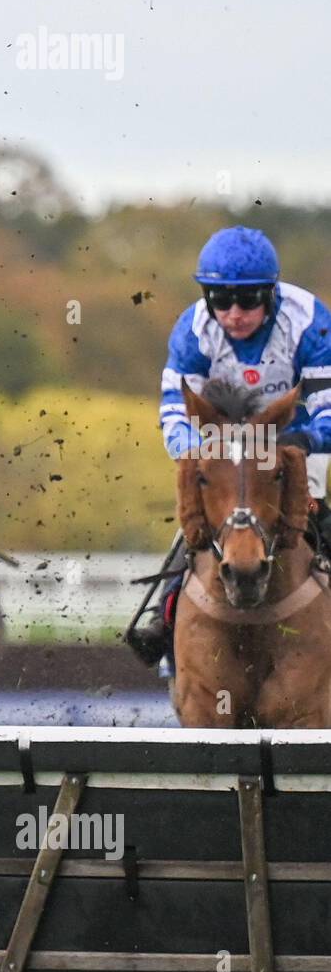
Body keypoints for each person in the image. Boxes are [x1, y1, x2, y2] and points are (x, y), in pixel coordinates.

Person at [128, 225, 331, 667]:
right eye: (220, 300)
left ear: (271, 295)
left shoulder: (310, 323)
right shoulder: (192, 332)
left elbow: (328, 413)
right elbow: (175, 414)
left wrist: (304, 438)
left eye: (248, 300)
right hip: (222, 447)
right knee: (199, 527)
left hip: (289, 446)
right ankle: (163, 623)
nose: (234, 313)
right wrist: (199, 451)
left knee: (319, 517)